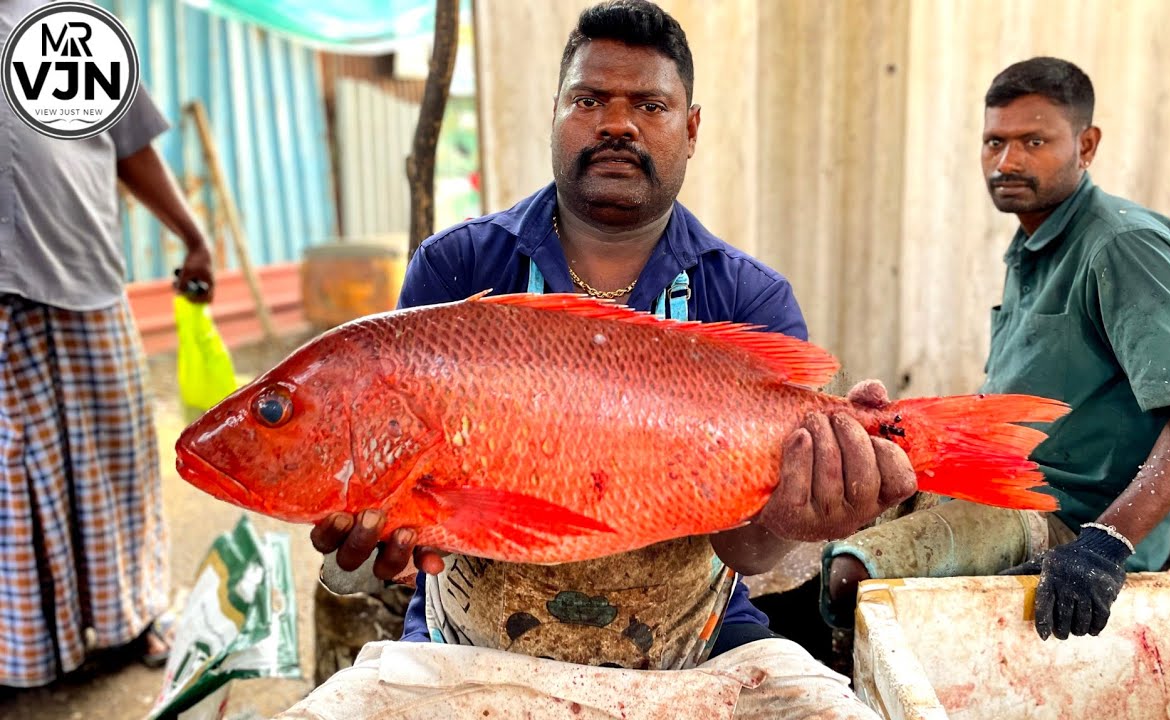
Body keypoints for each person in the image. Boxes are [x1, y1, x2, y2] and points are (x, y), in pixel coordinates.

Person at [283, 2, 915, 717]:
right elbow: (391, 528)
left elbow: (752, 555)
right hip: (467, 647)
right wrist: (371, 542)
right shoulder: (455, 266)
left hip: (697, 645)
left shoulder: (746, 294)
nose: (618, 124)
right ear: (553, 115)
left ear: (692, 128)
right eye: (589, 100)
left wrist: (802, 515)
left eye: (650, 103)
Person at [821, 56, 1170, 642]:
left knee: (851, 574)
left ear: (1086, 145)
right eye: (994, 142)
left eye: (1033, 141)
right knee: (841, 502)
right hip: (1004, 484)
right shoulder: (1033, 245)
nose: (1007, 161)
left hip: (1069, 523)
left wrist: (1107, 542)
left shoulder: (1121, 244)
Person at [0, 0, 215, 688]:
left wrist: (194, 235)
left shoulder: (68, 22)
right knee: (11, 485)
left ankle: (132, 618)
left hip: (84, 275)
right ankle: (24, 651)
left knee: (117, 460)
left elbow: (130, 148)